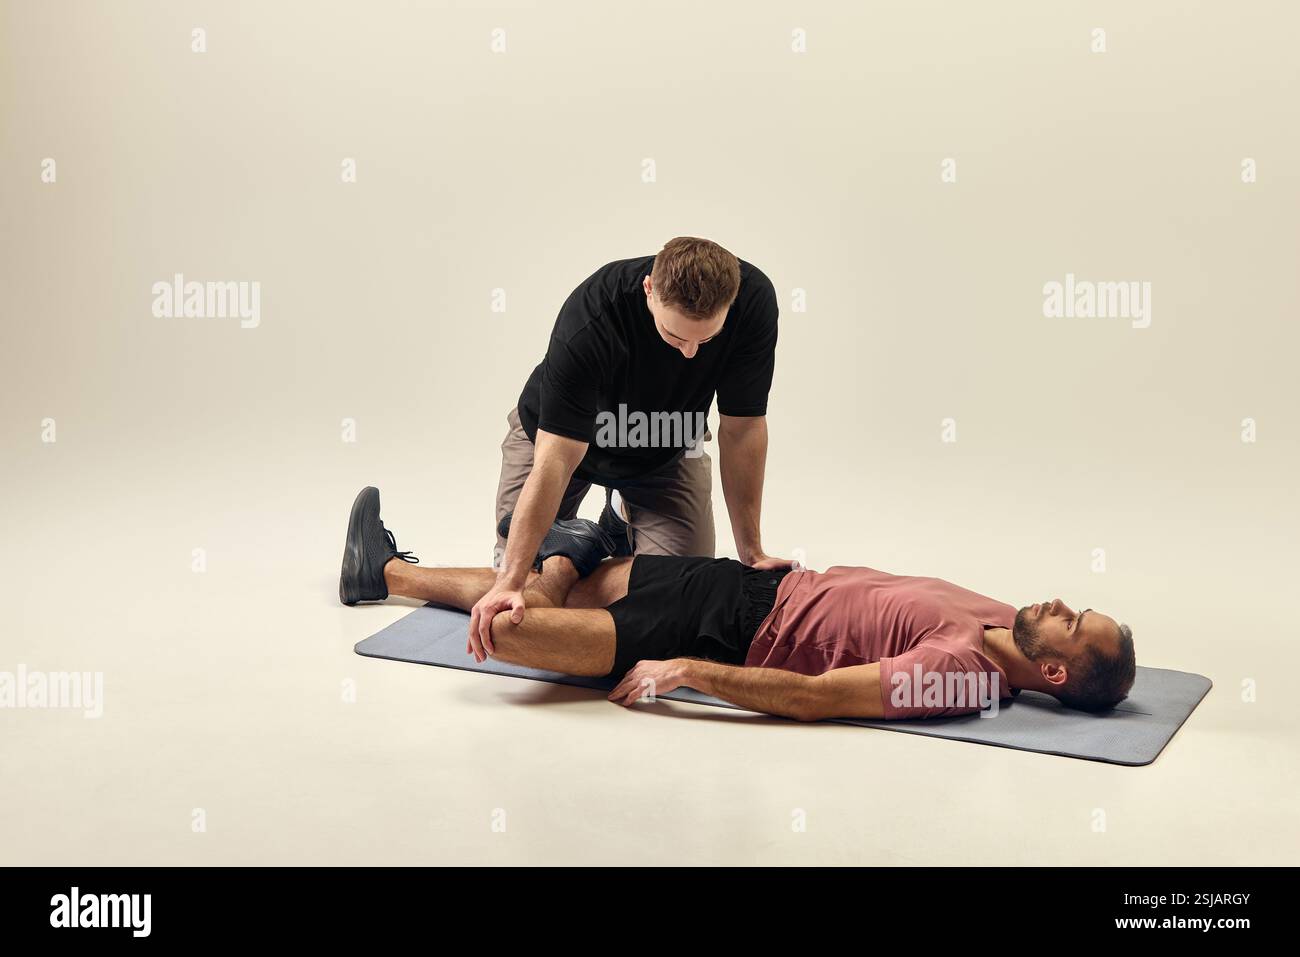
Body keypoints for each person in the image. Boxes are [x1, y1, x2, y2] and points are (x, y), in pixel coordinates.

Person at [339, 488, 1137, 721]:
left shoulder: (960, 676)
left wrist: (690, 670)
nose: (1061, 603)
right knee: (575, 582)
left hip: (730, 632)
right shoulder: (1013, 620)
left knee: (516, 636)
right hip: (753, 586)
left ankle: (568, 545)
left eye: (1073, 620)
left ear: (1055, 670)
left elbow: (815, 696)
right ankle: (386, 574)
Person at [478, 237, 787, 656]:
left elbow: (742, 427)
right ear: (649, 290)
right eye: (676, 336)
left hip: (663, 447)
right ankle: (577, 542)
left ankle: (614, 527)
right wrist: (511, 582)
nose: (692, 353)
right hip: (562, 442)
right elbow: (556, 462)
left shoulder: (754, 301)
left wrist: (752, 552)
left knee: (676, 599)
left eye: (706, 340)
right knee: (513, 583)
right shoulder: (592, 314)